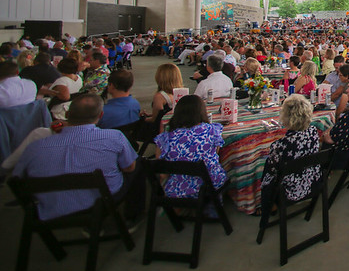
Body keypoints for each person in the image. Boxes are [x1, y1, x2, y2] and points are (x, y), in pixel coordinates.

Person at [12, 94, 141, 222]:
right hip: (101, 202)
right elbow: (129, 168)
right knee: (137, 162)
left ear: (67, 114)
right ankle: (132, 216)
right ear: (101, 115)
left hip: (51, 209)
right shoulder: (114, 137)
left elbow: (18, 178)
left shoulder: (35, 147)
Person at [154, 95, 227, 198]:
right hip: (210, 186)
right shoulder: (212, 131)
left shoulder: (165, 139)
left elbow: (162, 173)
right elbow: (214, 155)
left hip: (177, 191)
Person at [259, 94, 321, 212]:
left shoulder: (281, 145)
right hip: (312, 181)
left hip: (289, 190)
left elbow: (271, 171)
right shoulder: (313, 132)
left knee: (266, 169)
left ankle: (268, 206)